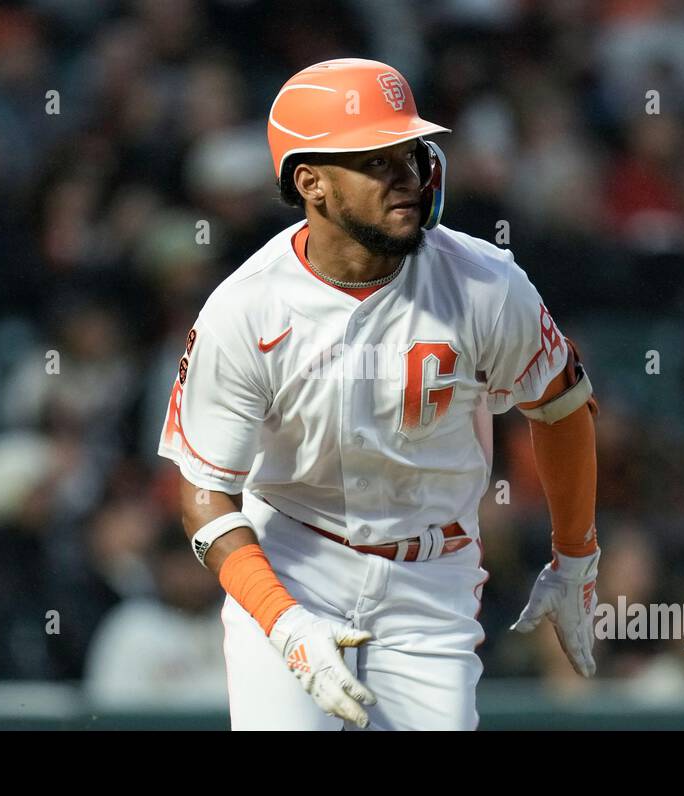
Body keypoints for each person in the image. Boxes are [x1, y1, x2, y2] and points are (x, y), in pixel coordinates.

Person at [157, 58, 603, 730]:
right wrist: (283, 623)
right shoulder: (246, 308)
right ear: (311, 182)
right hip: (293, 563)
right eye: (375, 160)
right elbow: (203, 492)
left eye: (411, 153)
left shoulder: (485, 282)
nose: (407, 178)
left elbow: (561, 406)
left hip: (432, 580)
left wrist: (577, 553)